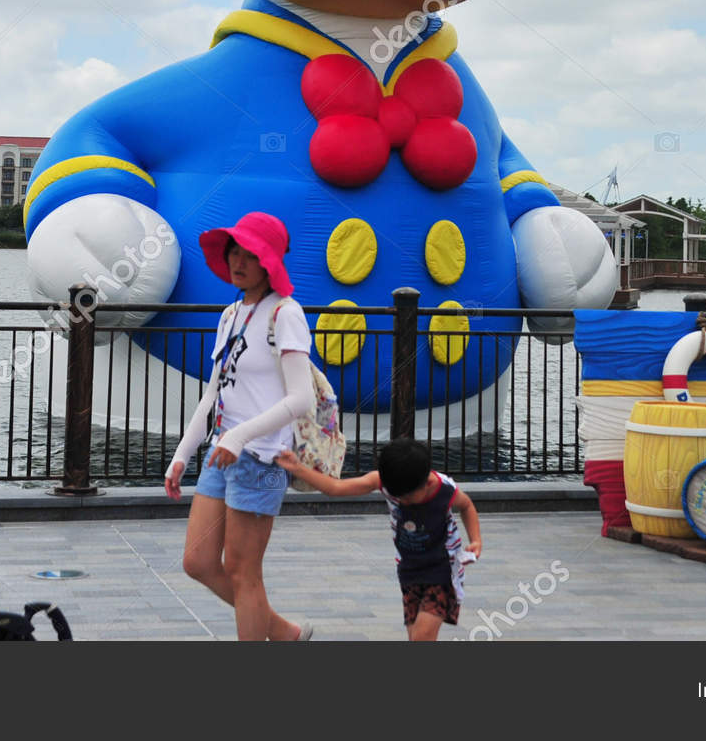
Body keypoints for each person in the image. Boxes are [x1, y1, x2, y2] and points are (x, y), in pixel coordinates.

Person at [164, 212, 315, 641]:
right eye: (234, 251)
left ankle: (276, 635)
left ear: (270, 262)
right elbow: (213, 394)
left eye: (251, 254)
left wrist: (240, 435)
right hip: (222, 450)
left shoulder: (285, 313)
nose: (239, 261)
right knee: (197, 561)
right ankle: (283, 632)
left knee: (244, 573)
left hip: (261, 457)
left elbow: (300, 398)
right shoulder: (231, 314)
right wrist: (181, 454)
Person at [278, 437, 480, 641]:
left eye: (407, 497)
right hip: (409, 570)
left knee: (422, 636)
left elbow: (467, 506)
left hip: (443, 569)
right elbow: (335, 488)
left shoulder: (444, 489)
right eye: (396, 495)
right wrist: (297, 468)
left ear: (426, 483)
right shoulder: (386, 481)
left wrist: (476, 540)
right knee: (415, 637)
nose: (401, 500)